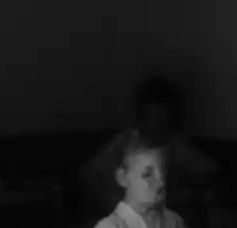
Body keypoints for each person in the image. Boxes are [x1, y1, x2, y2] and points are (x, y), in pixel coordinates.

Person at [81, 76, 218, 219]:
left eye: (164, 118)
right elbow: (89, 176)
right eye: (154, 117)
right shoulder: (121, 145)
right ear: (141, 118)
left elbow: (208, 172)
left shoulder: (176, 145)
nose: (159, 124)